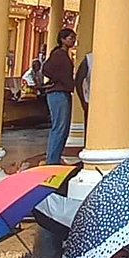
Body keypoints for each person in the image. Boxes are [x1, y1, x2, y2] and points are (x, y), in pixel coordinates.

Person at [41, 26, 76, 164]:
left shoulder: (63, 54)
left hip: (63, 92)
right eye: (70, 38)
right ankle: (52, 160)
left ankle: (56, 156)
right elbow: (46, 69)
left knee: (64, 127)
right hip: (58, 93)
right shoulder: (58, 55)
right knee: (59, 127)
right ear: (62, 39)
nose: (73, 40)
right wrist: (59, 80)